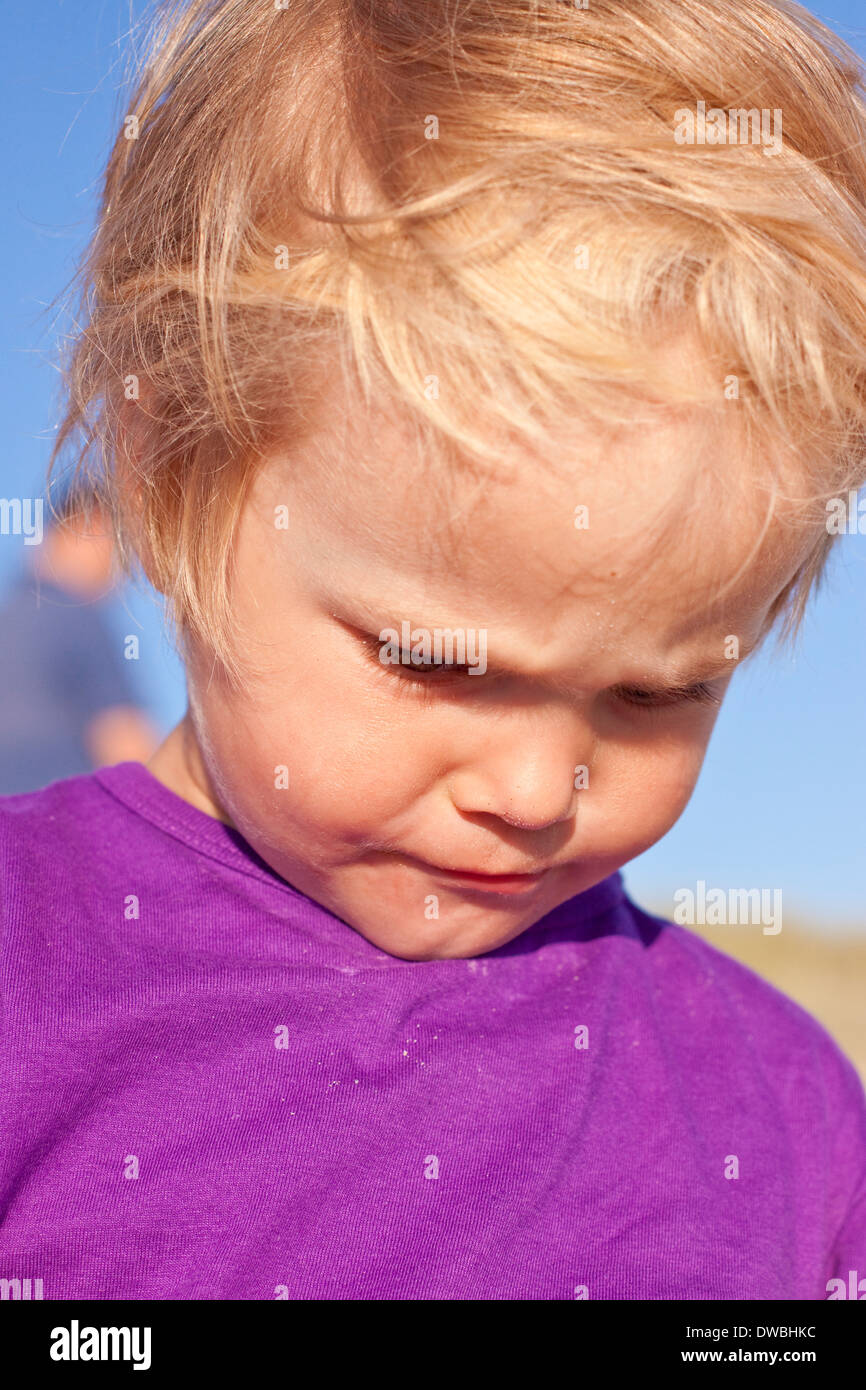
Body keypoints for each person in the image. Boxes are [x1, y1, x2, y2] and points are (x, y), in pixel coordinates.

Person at [0, 0, 864, 1300]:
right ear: (172, 480)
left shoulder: (788, 1121)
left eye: (653, 690)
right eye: (437, 662)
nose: (531, 791)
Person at [0, 481, 159, 794]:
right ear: (90, 525)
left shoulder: (11, 617)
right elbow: (128, 750)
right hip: (54, 828)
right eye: (119, 548)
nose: (123, 572)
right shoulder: (76, 616)